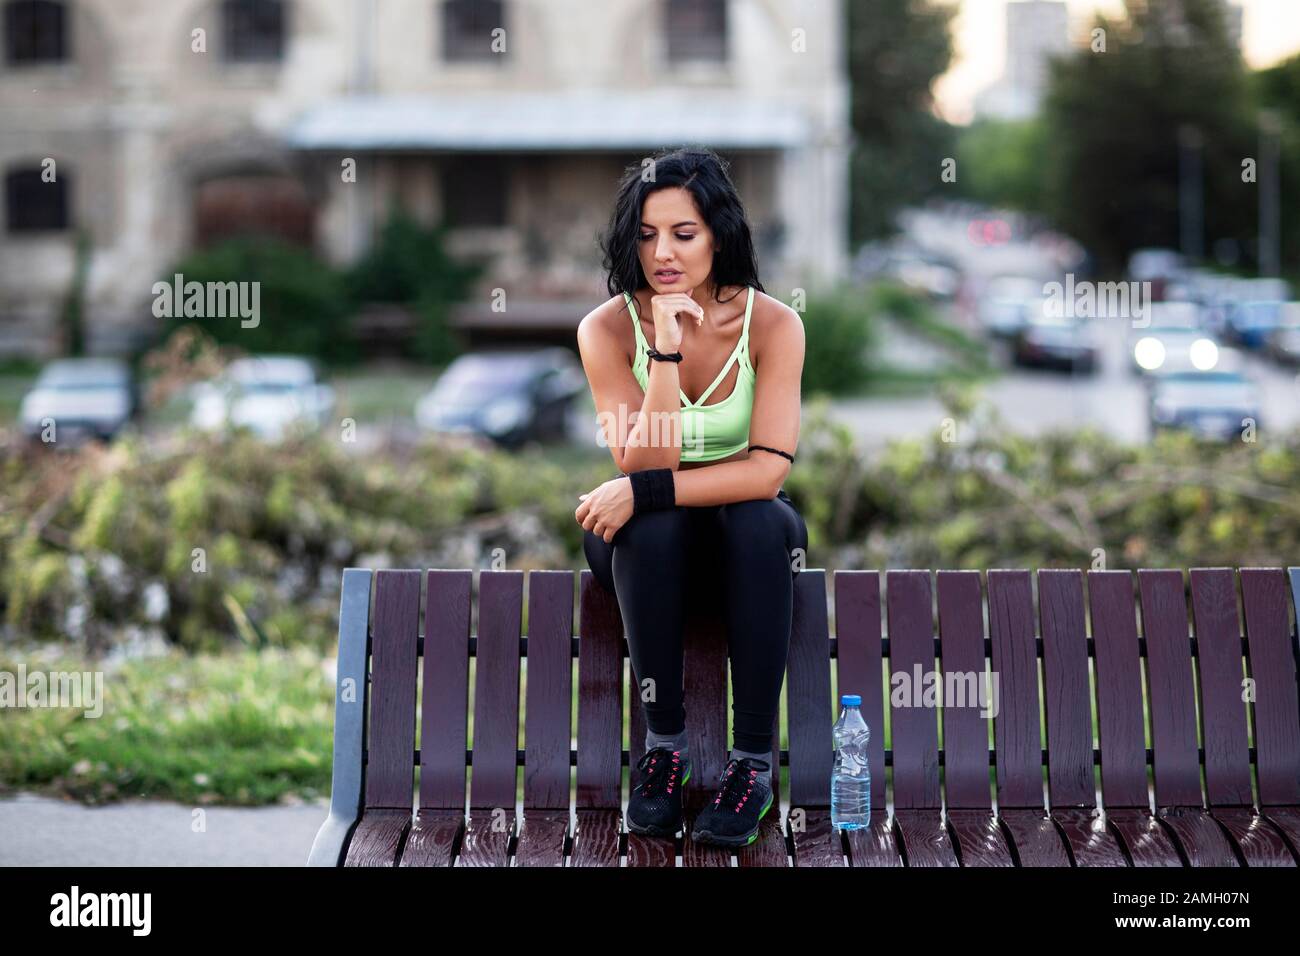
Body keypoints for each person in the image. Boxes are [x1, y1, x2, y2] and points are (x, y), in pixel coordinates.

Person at [573, 146, 808, 849]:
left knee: (760, 519)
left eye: (684, 232)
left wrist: (642, 490)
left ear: (719, 234)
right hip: (649, 544)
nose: (662, 253)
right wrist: (666, 357)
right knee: (651, 528)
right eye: (647, 235)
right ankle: (665, 751)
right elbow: (642, 458)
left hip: (745, 542)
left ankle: (753, 766)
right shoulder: (607, 329)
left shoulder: (773, 326)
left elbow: (766, 469)